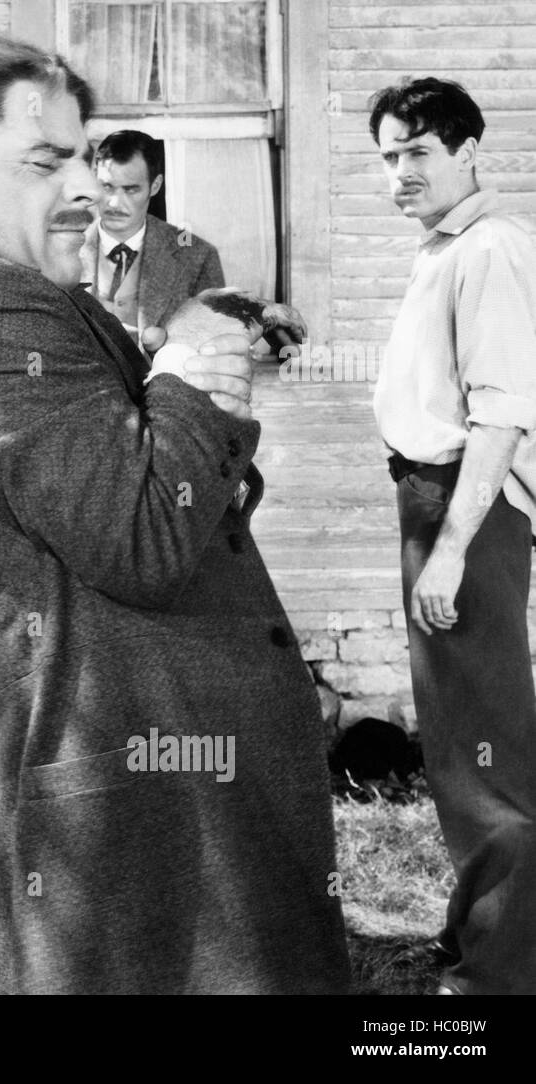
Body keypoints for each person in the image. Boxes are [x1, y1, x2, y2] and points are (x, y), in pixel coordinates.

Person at [0, 32, 350, 994]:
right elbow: (142, 532)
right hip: (144, 823)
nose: (85, 190)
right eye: (45, 163)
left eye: (84, 158)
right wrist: (195, 372)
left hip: (168, 805)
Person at [370, 76, 536, 995]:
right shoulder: (444, 249)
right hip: (430, 503)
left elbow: (503, 413)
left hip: (464, 509)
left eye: (417, 153)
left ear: (469, 148)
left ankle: (498, 982)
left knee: (483, 749)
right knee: (462, 737)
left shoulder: (492, 248)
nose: (399, 174)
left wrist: (454, 546)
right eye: (388, 157)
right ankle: (485, 929)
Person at [80, 129, 223, 343]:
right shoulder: (63, 246)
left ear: (154, 186)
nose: (114, 203)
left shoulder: (197, 256)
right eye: (107, 187)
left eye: (130, 190)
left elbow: (213, 343)